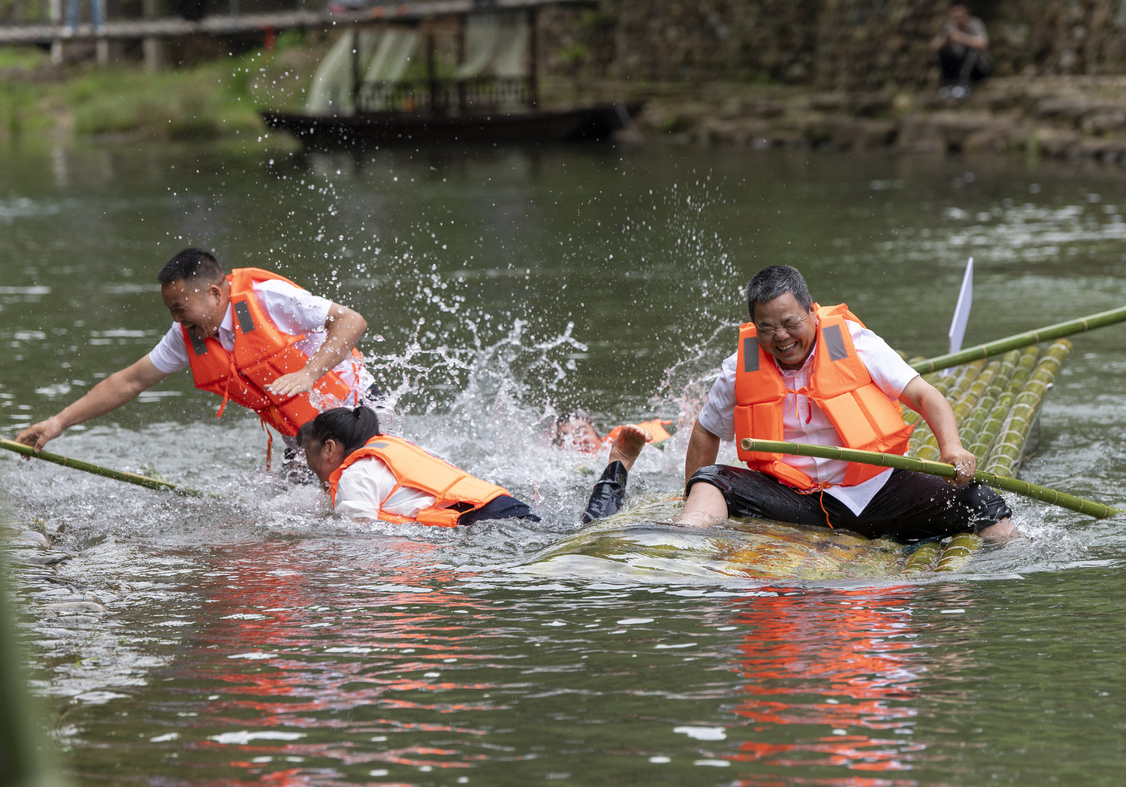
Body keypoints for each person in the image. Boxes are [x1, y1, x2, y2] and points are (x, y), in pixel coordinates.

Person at [679, 265, 1015, 543]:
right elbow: (706, 431)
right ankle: (684, 543)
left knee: (978, 500)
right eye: (767, 328)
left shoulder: (856, 343)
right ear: (754, 326)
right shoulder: (739, 367)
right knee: (710, 480)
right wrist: (690, 490)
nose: (780, 337)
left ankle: (1011, 552)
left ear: (812, 310)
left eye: (790, 322)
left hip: (877, 491)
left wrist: (952, 447)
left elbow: (926, 396)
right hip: (795, 501)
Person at [16, 248, 372, 465]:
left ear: (215, 294)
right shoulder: (187, 336)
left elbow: (352, 320)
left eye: (180, 308)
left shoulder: (267, 298)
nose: (176, 319)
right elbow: (130, 381)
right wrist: (58, 422)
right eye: (170, 310)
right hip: (304, 437)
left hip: (358, 413)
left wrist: (310, 373)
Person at [299, 406, 652, 525]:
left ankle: (616, 468)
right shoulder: (389, 451)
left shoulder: (354, 476)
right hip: (495, 505)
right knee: (578, 532)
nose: (307, 462)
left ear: (330, 449)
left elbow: (358, 541)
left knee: (589, 537)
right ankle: (615, 473)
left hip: (481, 521)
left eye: (308, 452)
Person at [930, 3, 990, 98]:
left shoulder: (974, 23)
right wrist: (946, 40)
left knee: (972, 49)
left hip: (978, 68)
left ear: (966, 14)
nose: (957, 18)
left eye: (960, 15)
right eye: (954, 15)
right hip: (958, 65)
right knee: (944, 52)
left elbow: (983, 43)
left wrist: (960, 37)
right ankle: (950, 85)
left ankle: (963, 84)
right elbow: (934, 45)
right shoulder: (950, 26)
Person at [551, 409, 673, 456]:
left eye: (581, 433)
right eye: (564, 439)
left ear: (600, 438)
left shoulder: (614, 445)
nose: (576, 441)